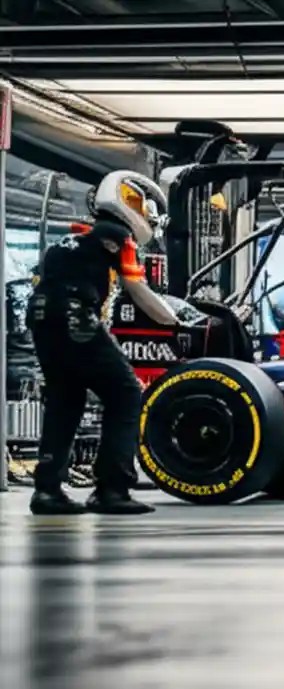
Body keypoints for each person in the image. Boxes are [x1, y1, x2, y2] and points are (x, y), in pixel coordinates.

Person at [27, 171, 180, 515]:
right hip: (74, 315)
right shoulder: (118, 235)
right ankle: (113, 488)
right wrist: (175, 319)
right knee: (125, 391)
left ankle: (47, 490)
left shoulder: (76, 237)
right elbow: (137, 289)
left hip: (40, 316)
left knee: (65, 399)